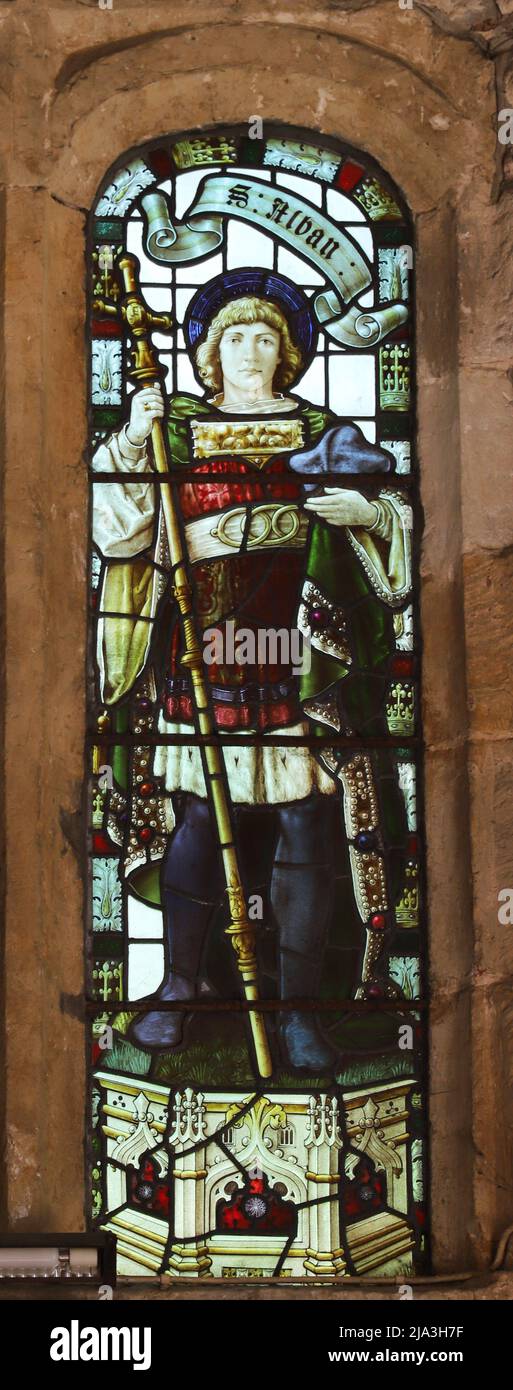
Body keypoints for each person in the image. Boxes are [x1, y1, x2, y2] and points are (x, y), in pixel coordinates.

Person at [92, 273, 412, 1071]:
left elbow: (395, 517)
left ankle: (299, 1009)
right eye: (233, 337)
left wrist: (367, 514)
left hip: (299, 654)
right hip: (204, 649)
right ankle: (180, 989)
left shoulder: (322, 431)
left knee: (306, 816)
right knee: (202, 815)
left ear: (289, 354)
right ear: (206, 355)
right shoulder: (179, 431)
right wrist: (134, 440)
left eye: (265, 337)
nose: (249, 350)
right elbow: (119, 536)